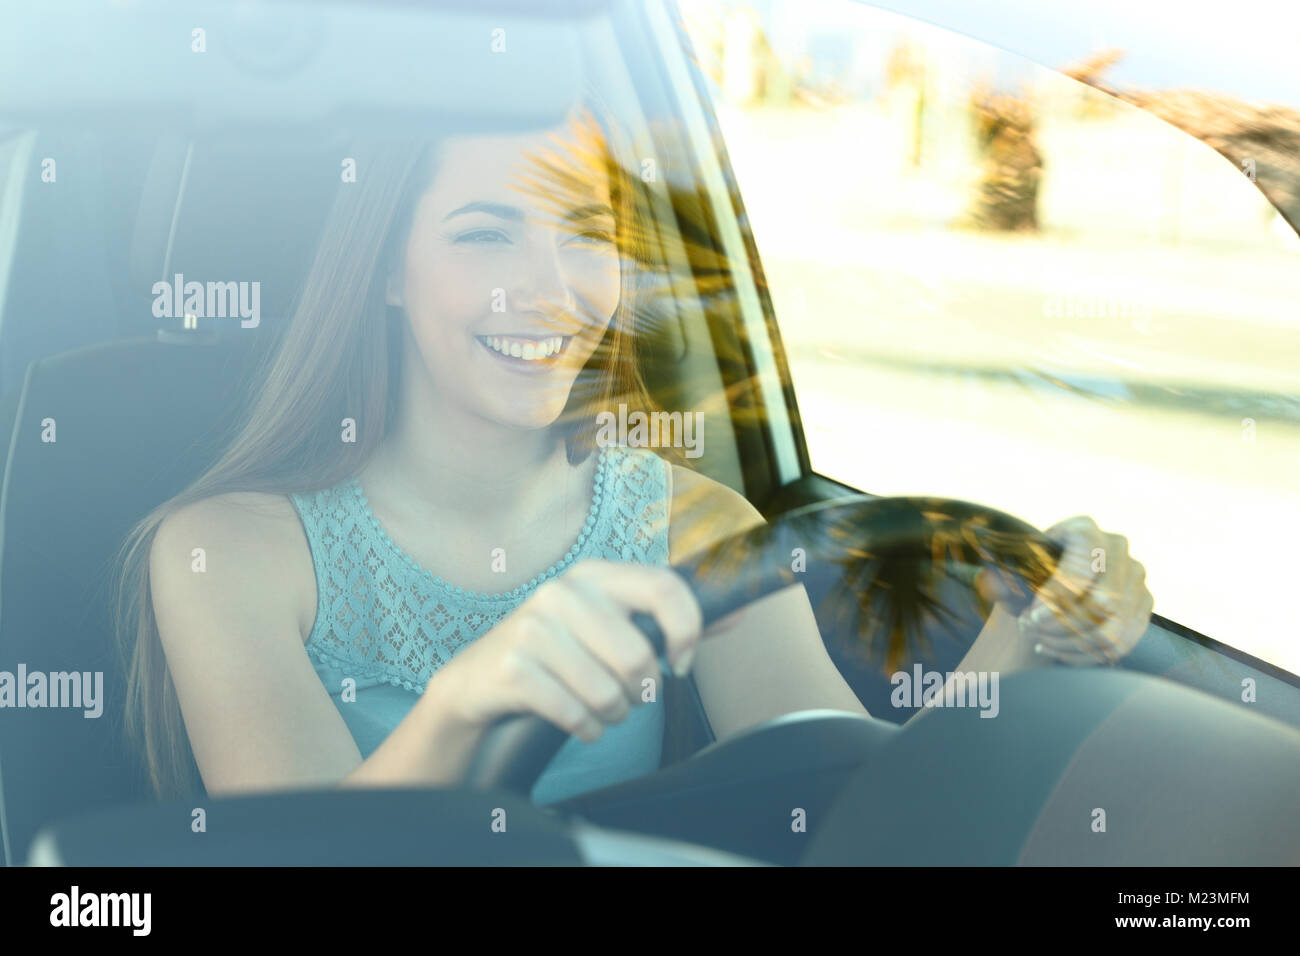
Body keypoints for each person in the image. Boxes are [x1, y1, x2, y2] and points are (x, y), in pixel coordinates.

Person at [115, 100, 1153, 808]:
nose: (551, 286)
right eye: (485, 235)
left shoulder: (691, 524)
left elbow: (857, 810)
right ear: (389, 269)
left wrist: (1033, 624)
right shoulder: (223, 551)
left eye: (583, 232)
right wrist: (466, 702)